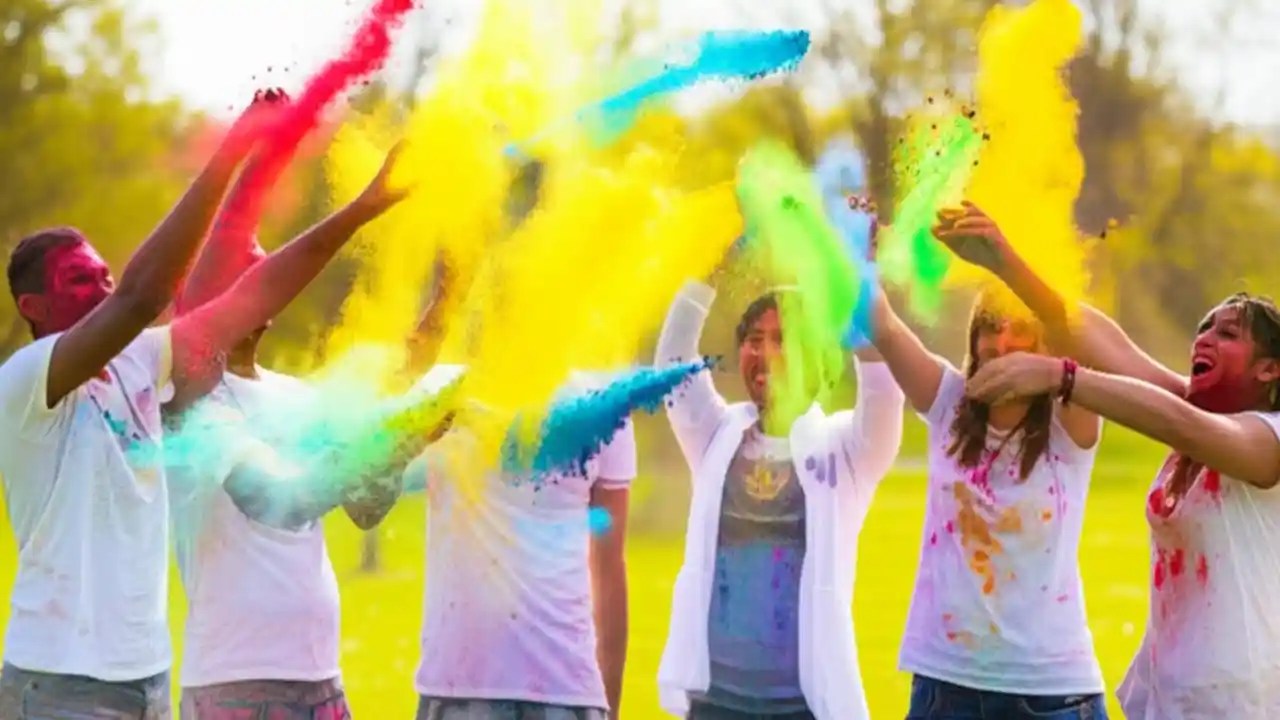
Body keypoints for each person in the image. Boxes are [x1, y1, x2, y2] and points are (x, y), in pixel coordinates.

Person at [0, 88, 398, 719]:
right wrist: (233, 151)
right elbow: (142, 292)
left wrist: (361, 211)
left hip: (147, 678)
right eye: (81, 279)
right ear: (33, 308)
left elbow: (252, 296)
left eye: (105, 274)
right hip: (58, 682)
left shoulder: (140, 365)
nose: (103, 287)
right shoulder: (25, 384)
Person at [935, 202, 1280, 719]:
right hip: (1173, 699)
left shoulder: (1267, 438)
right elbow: (1109, 345)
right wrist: (1006, 262)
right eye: (1204, 328)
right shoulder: (1192, 412)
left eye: (1228, 334)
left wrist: (1063, 377)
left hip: (1245, 703)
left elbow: (1171, 421)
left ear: (1271, 370)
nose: (1205, 337)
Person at [166, 147, 423, 719]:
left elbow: (364, 507)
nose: (268, 288)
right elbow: (278, 499)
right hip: (234, 685)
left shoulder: (297, 398)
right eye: (251, 276)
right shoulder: (191, 406)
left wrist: (404, 446)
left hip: (321, 680)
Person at [654, 276, 906, 720]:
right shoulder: (716, 435)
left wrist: (851, 276)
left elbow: (885, 391)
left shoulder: (845, 449)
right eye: (755, 339)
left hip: (802, 707)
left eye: (784, 339)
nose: (766, 351)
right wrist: (708, 274)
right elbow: (672, 361)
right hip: (716, 703)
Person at [865, 262, 1106, 716]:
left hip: (1051, 689)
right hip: (946, 684)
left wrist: (1014, 257)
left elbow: (1075, 331)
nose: (1002, 345)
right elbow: (884, 327)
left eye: (1020, 331)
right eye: (989, 331)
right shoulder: (948, 403)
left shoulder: (1071, 421)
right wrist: (861, 254)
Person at [404, 365, 634, 720]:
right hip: (458, 691)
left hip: (567, 691)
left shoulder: (603, 400)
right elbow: (372, 472)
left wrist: (611, 706)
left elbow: (610, 566)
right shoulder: (444, 389)